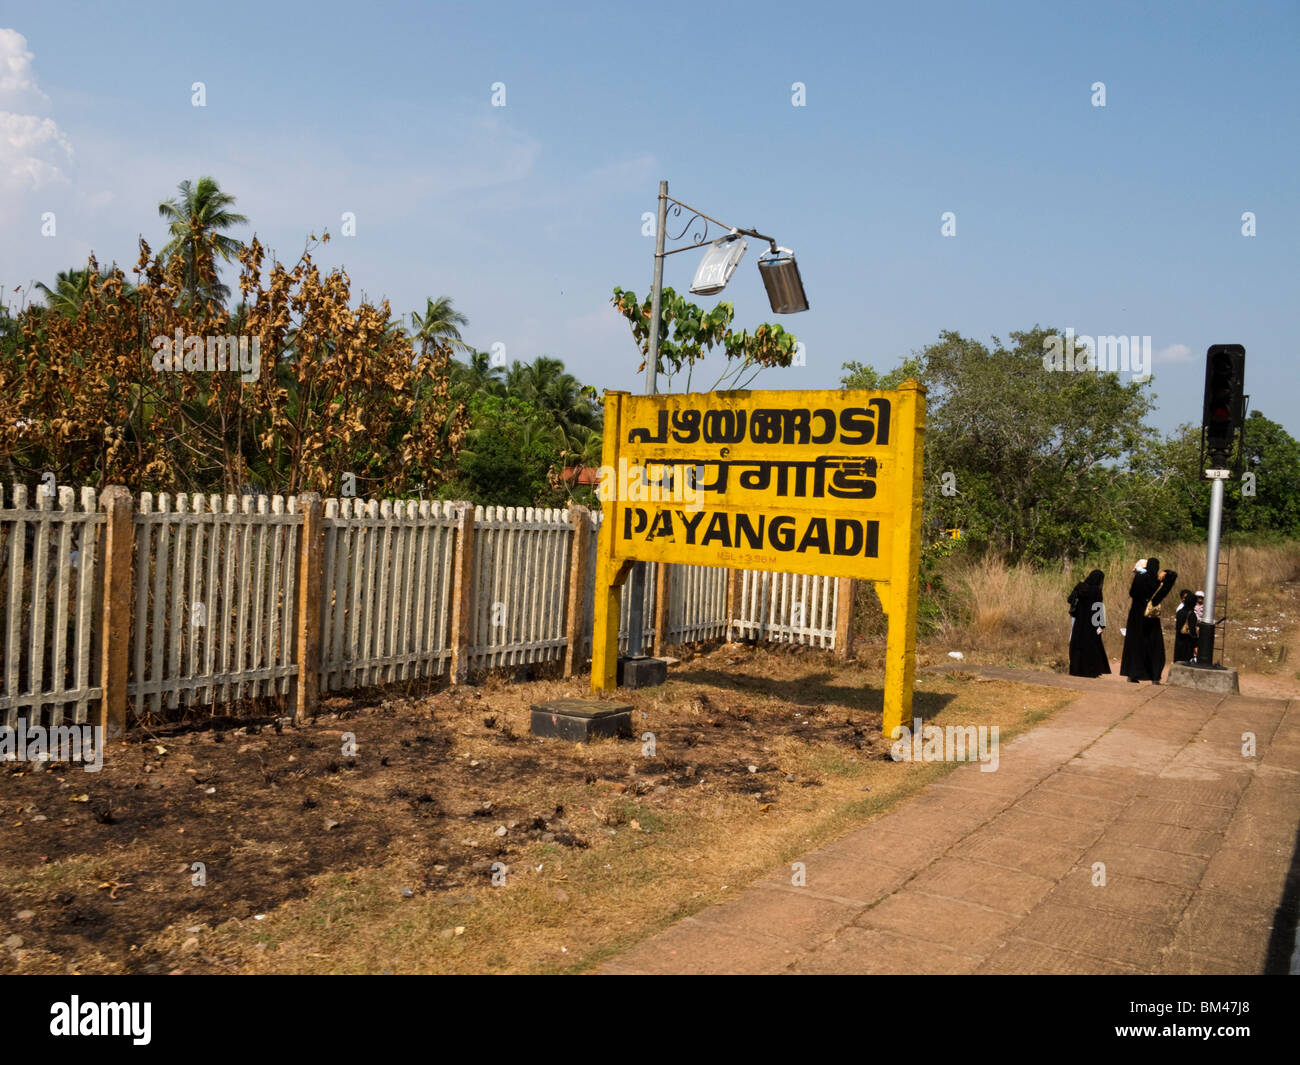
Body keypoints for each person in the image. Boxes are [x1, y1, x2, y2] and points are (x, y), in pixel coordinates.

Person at [1120, 556, 1178, 683]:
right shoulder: (1159, 582)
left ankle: (1133, 674)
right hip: (1151, 618)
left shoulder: (1140, 578)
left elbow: (1132, 593)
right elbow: (1173, 576)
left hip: (1136, 616)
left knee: (1136, 644)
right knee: (1154, 646)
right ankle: (1155, 676)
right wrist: (1167, 572)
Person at [1067, 569, 1110, 677]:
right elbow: (1099, 607)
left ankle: (1076, 669)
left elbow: (1070, 599)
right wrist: (1101, 625)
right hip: (1091, 624)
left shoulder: (1080, 586)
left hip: (1079, 621)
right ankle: (1090, 671)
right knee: (1091, 646)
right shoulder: (1096, 591)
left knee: (1077, 645)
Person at [1173, 589, 1199, 663]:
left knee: (1178, 662)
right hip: (1187, 643)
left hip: (1178, 641)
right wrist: (1196, 645)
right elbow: (1192, 632)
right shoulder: (1192, 614)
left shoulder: (1179, 612)